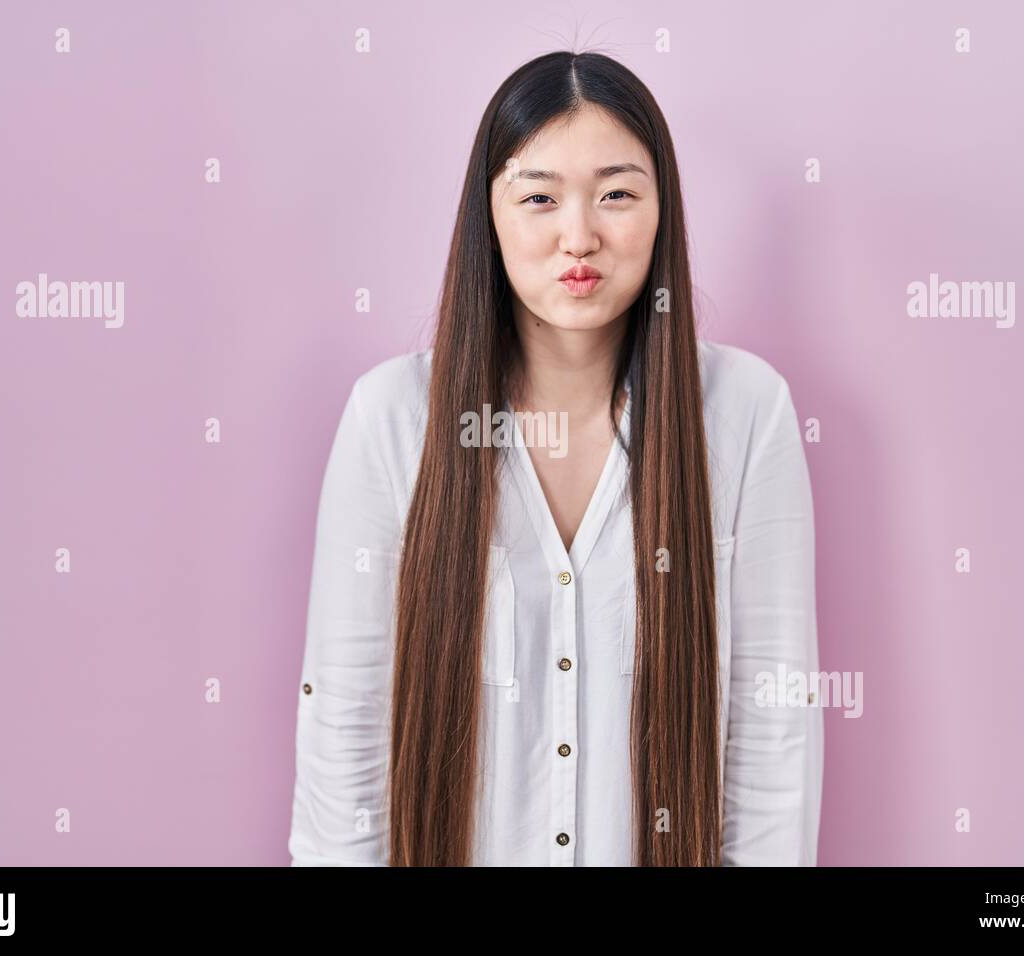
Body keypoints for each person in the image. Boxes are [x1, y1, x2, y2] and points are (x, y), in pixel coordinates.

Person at [288, 50, 822, 866]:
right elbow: (346, 731)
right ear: (490, 215)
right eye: (539, 196)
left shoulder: (746, 414)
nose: (580, 235)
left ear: (661, 210)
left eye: (616, 194)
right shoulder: (393, 420)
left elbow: (772, 730)